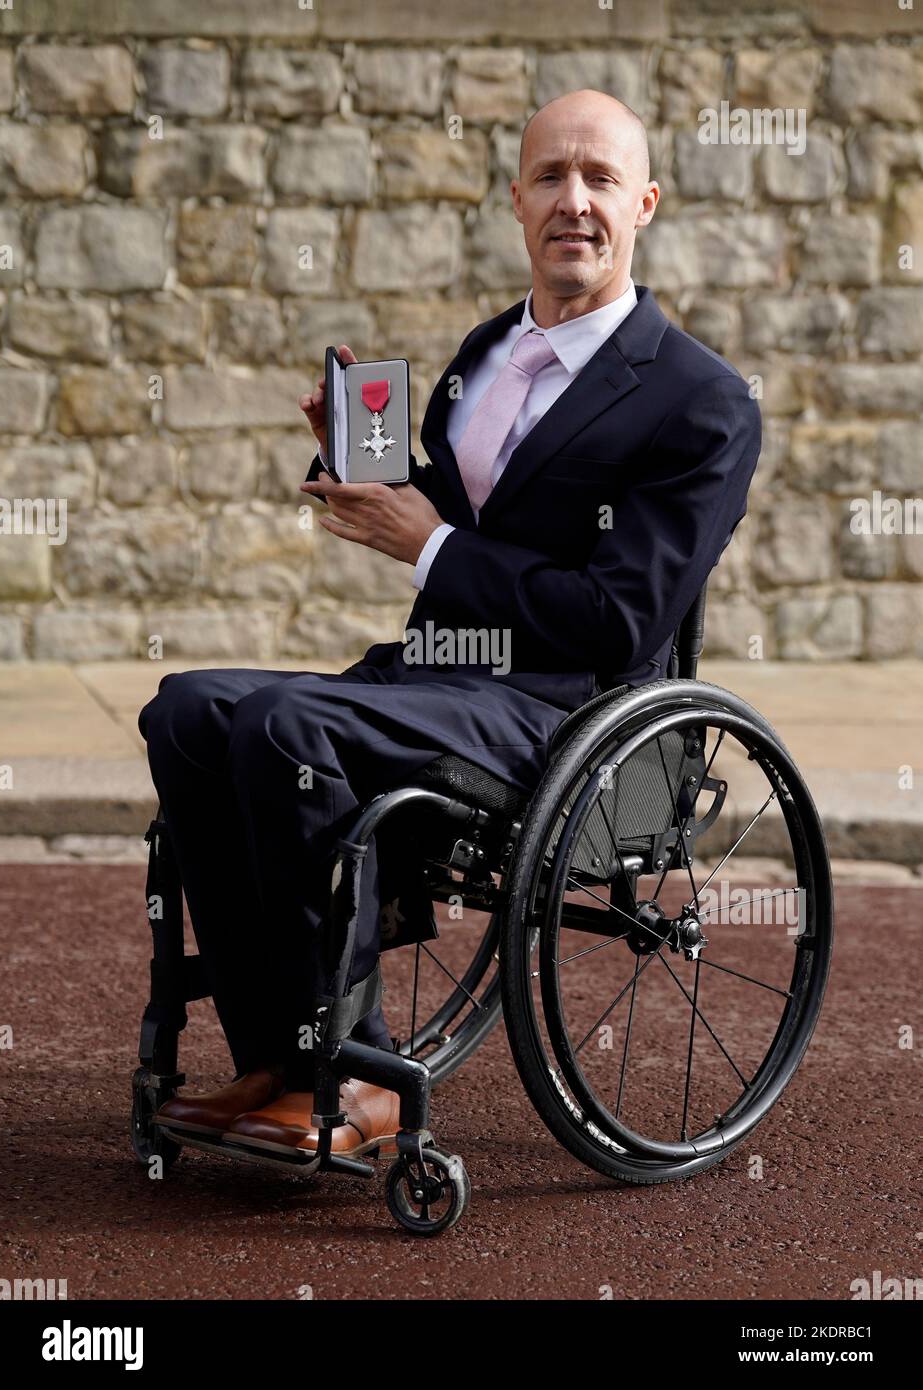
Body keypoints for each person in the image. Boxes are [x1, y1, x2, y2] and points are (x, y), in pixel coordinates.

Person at [142, 88, 761, 1159]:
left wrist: (425, 545)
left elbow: (617, 620)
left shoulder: (700, 401)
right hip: (440, 676)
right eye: (550, 177)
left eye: (600, 179)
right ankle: (280, 1060)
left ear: (644, 203)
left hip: (569, 714)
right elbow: (473, 509)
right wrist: (364, 466)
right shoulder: (484, 353)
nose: (574, 201)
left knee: (288, 728)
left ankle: (361, 1077)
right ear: (515, 198)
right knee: (186, 710)